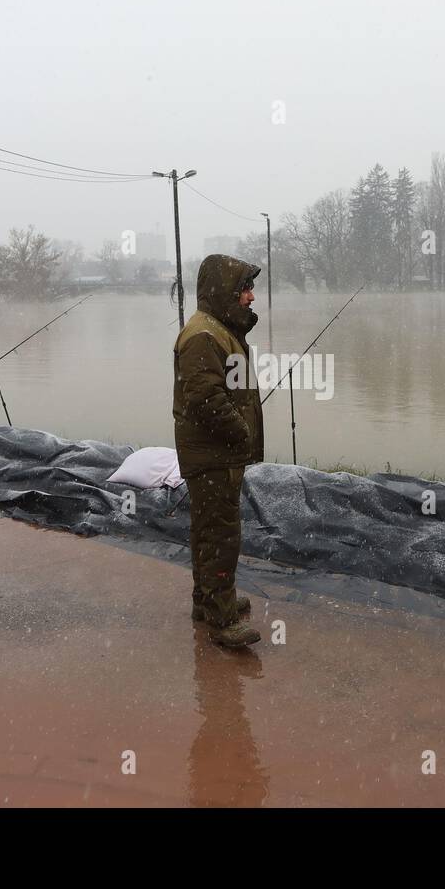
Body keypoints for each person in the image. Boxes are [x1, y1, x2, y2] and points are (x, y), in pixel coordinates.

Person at [173, 254, 265, 648]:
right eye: (245, 289)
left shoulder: (220, 329)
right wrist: (241, 430)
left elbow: (224, 388)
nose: (251, 296)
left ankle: (207, 600)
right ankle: (222, 619)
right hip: (212, 456)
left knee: (209, 531)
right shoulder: (203, 334)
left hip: (218, 453)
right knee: (220, 536)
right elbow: (204, 396)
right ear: (225, 290)